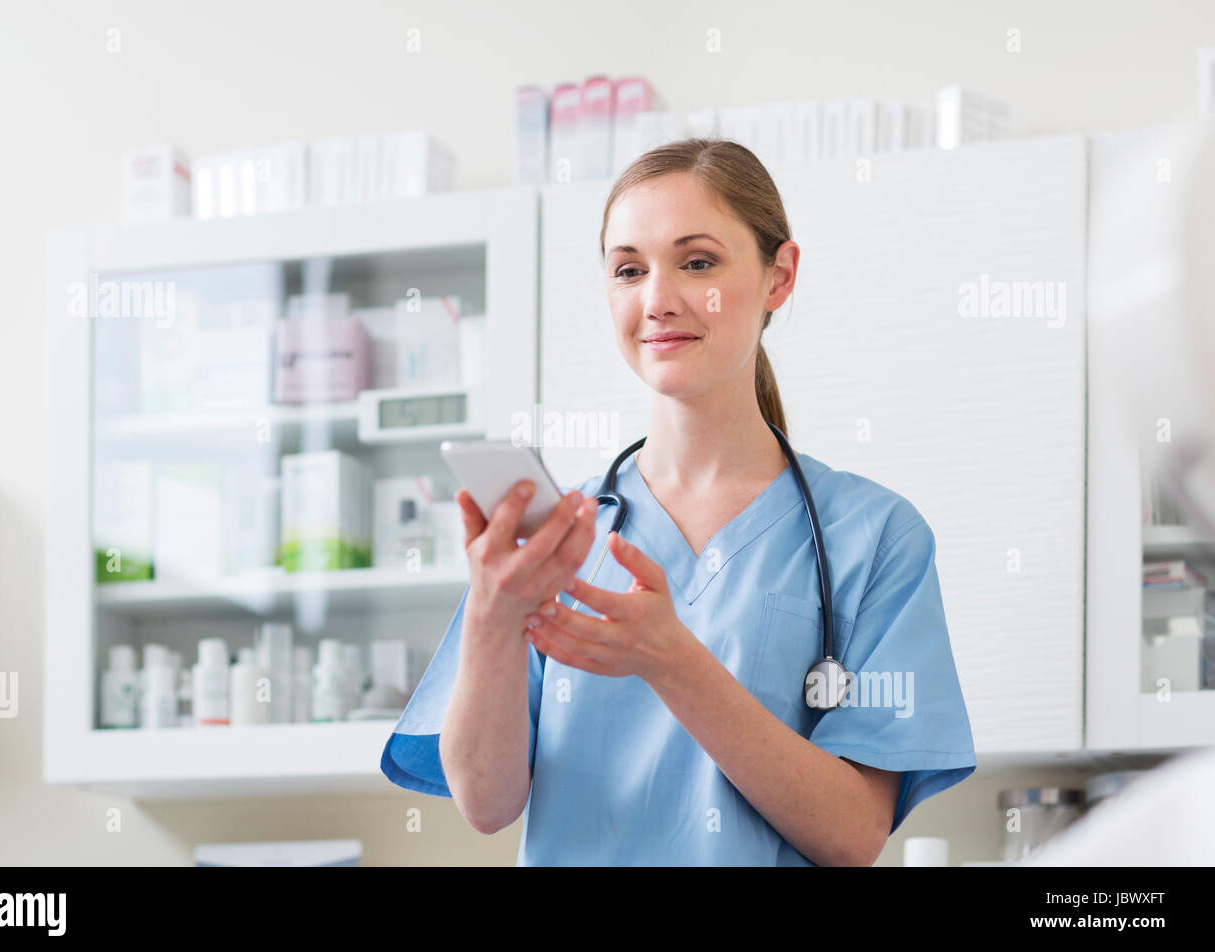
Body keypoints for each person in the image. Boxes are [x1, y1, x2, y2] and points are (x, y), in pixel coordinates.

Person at [380, 138, 976, 866]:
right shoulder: (560, 536)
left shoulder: (875, 537)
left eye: (697, 262)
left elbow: (853, 835)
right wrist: (490, 613)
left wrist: (672, 660)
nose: (657, 299)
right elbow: (487, 803)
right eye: (629, 269)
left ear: (778, 276)